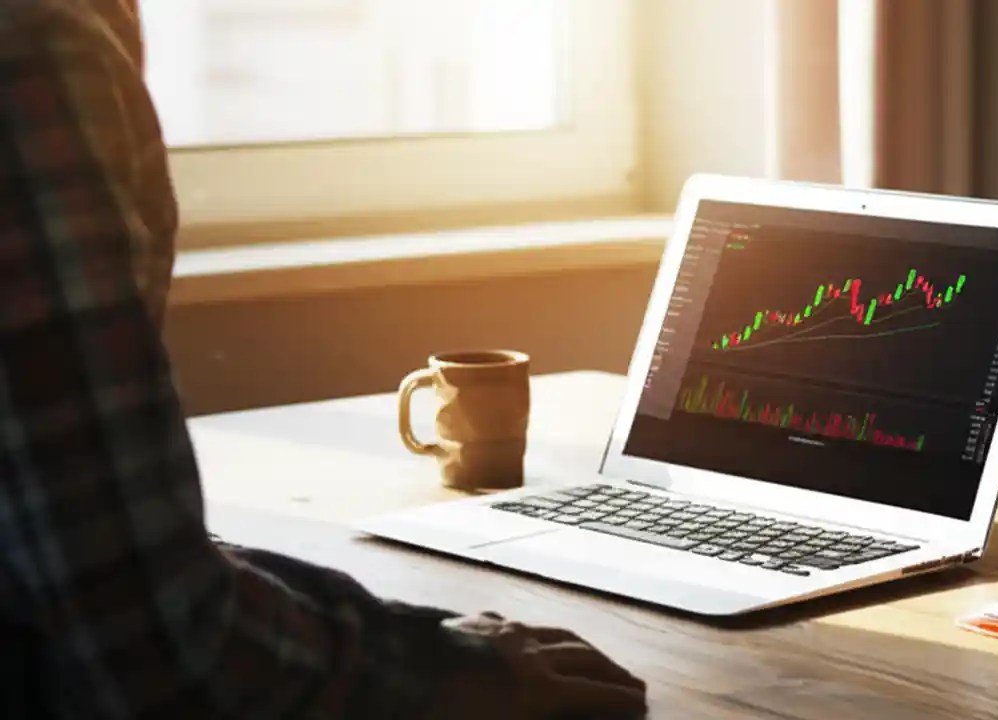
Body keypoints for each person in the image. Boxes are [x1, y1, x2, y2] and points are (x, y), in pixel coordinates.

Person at [0, 2, 647, 717]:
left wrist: (401, 634)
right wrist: (455, 674)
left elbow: (89, 574)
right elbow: (156, 645)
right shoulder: (32, 50)